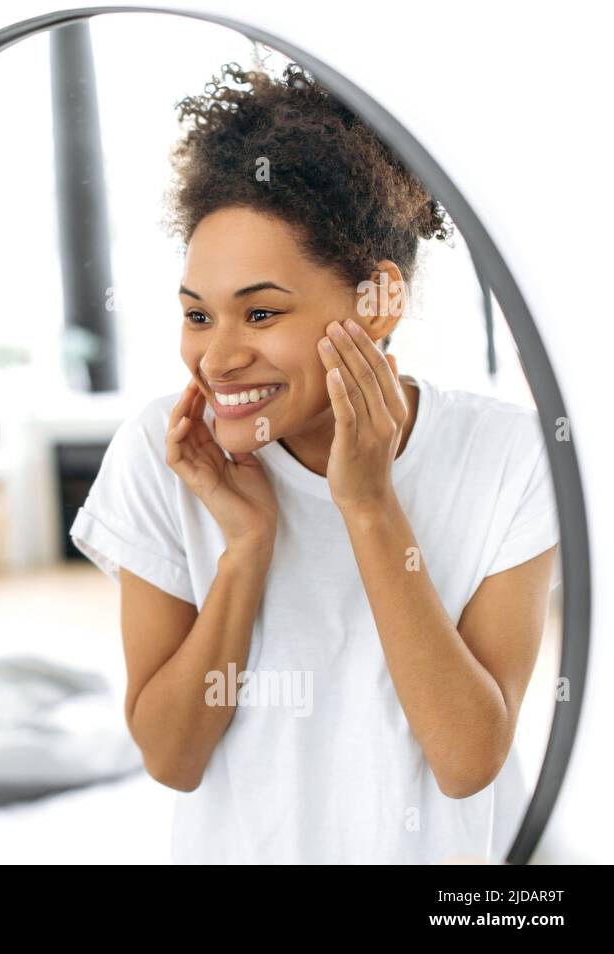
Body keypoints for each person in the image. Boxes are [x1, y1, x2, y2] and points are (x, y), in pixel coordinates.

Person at [69, 63, 560, 864]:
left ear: (379, 301)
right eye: (198, 314)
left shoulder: (506, 456)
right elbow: (171, 757)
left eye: (261, 312)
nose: (218, 358)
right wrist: (246, 551)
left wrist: (369, 507)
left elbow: (469, 761)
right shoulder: (164, 453)